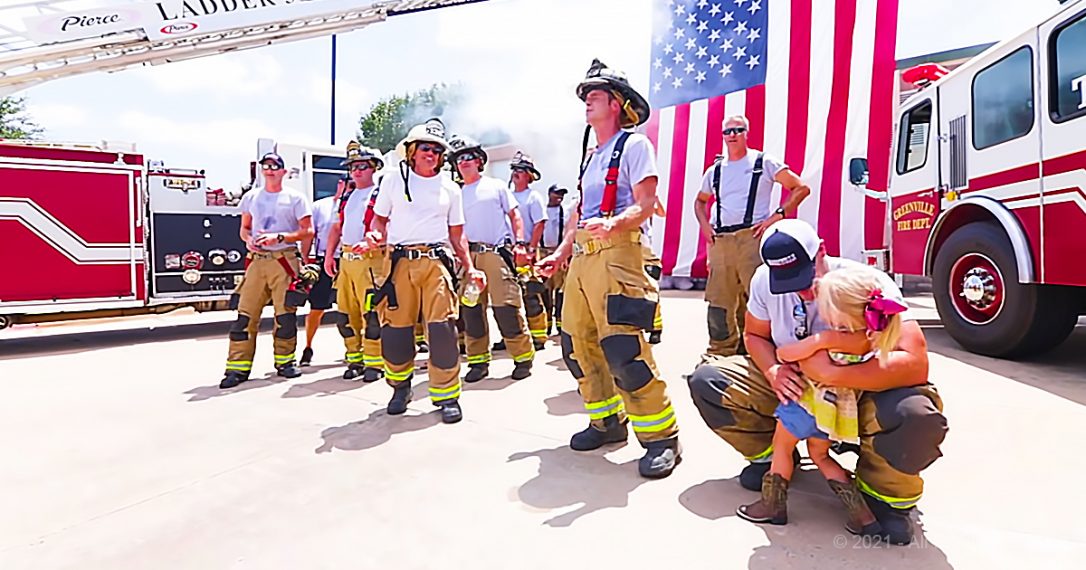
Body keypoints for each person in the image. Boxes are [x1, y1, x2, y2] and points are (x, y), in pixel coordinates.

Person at [686, 219, 948, 544]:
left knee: (915, 416)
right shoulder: (763, 280)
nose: (802, 291)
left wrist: (833, 373)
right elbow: (755, 335)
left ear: (821, 251)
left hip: (860, 396)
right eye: (788, 282)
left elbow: (915, 364)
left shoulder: (863, 283)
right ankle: (774, 463)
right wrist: (772, 371)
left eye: (806, 279)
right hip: (800, 392)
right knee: (710, 381)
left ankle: (882, 496)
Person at [537, 59, 681, 478]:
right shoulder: (591, 156)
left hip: (619, 255)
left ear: (616, 104)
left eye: (595, 95)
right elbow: (579, 214)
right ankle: (607, 423)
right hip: (583, 259)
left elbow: (646, 204)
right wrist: (560, 254)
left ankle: (661, 437)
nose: (587, 101)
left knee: (624, 349)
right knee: (577, 345)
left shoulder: (635, 145)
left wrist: (615, 223)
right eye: (585, 96)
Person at [737, 265, 908, 536]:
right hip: (836, 412)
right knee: (820, 456)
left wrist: (808, 345)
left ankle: (772, 506)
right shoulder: (868, 339)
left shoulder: (827, 341)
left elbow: (785, 354)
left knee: (781, 450)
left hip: (805, 405)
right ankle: (862, 516)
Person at [362, 118, 484, 424]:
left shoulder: (450, 188)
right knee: (397, 331)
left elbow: (458, 234)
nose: (431, 153)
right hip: (399, 262)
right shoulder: (392, 180)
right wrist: (375, 235)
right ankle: (400, 389)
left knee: (443, 331)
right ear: (412, 151)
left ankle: (446, 395)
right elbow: (378, 221)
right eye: (425, 148)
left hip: (436, 262)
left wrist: (469, 268)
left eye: (436, 149)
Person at [693, 115, 811, 357]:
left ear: (746, 132)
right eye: (727, 131)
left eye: (738, 130)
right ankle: (720, 353)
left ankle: (759, 352)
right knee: (719, 301)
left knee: (756, 297)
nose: (732, 135)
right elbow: (700, 201)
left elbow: (800, 187)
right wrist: (705, 226)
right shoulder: (715, 170)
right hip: (721, 242)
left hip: (751, 239)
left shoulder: (763, 162)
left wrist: (777, 216)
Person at [220, 152, 315, 389]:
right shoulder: (251, 197)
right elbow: (245, 228)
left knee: (285, 316)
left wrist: (280, 237)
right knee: (245, 315)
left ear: (283, 171)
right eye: (266, 166)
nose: (270, 170)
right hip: (256, 261)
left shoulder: (295, 198)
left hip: (283, 260)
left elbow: (308, 231)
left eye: (275, 166)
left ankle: (285, 362)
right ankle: (237, 368)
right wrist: (247, 240)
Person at [447, 134, 535, 382]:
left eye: (468, 157)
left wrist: (519, 244)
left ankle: (522, 357)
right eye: (458, 159)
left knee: (506, 309)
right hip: (468, 259)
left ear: (479, 161)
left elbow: (515, 215)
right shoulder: (455, 193)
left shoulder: (496, 186)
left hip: (495, 254)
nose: (463, 162)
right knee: (472, 311)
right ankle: (478, 362)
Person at [323, 141, 386, 382]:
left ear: (374, 168)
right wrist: (330, 255)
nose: (357, 171)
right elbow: (336, 227)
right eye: (353, 167)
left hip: (371, 261)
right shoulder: (345, 197)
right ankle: (354, 359)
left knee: (372, 315)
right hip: (347, 262)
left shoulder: (380, 195)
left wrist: (374, 243)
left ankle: (374, 363)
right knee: (345, 316)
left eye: (362, 166)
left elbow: (388, 227)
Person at [509, 151, 549, 350]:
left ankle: (539, 335)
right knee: (510, 296)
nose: (517, 173)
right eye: (515, 169)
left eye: (522, 170)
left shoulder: (533, 197)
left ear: (529, 175)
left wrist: (532, 249)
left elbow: (539, 224)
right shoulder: (507, 196)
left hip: (527, 250)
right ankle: (514, 334)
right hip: (509, 251)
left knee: (531, 293)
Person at [299, 181, 342, 367]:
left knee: (353, 308)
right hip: (323, 259)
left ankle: (357, 349)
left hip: (350, 260)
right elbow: (310, 233)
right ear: (339, 184)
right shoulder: (320, 206)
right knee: (317, 308)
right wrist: (305, 257)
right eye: (347, 184)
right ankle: (308, 347)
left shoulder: (359, 203)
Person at [540, 184, 571, 336]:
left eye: (562, 194)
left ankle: (560, 323)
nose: (559, 197)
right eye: (556, 193)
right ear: (549, 193)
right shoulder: (542, 211)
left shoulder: (564, 212)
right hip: (543, 252)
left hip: (558, 253)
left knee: (560, 291)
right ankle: (546, 324)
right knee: (545, 291)